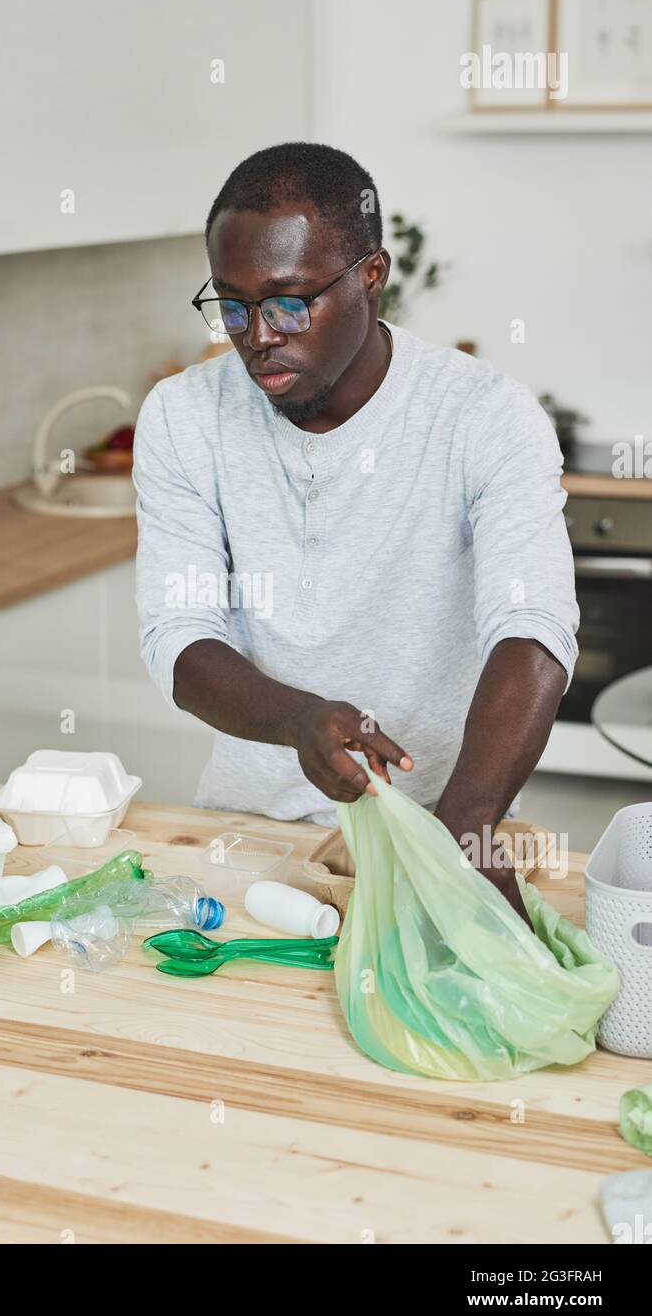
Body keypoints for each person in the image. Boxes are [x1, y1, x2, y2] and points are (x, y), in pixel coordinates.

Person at [134, 142, 578, 922]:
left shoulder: (484, 415)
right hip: (249, 842)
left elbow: (531, 626)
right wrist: (300, 718)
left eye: (288, 302)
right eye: (231, 305)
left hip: (437, 832)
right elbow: (179, 638)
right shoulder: (182, 416)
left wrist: (468, 821)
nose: (256, 336)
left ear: (370, 277)